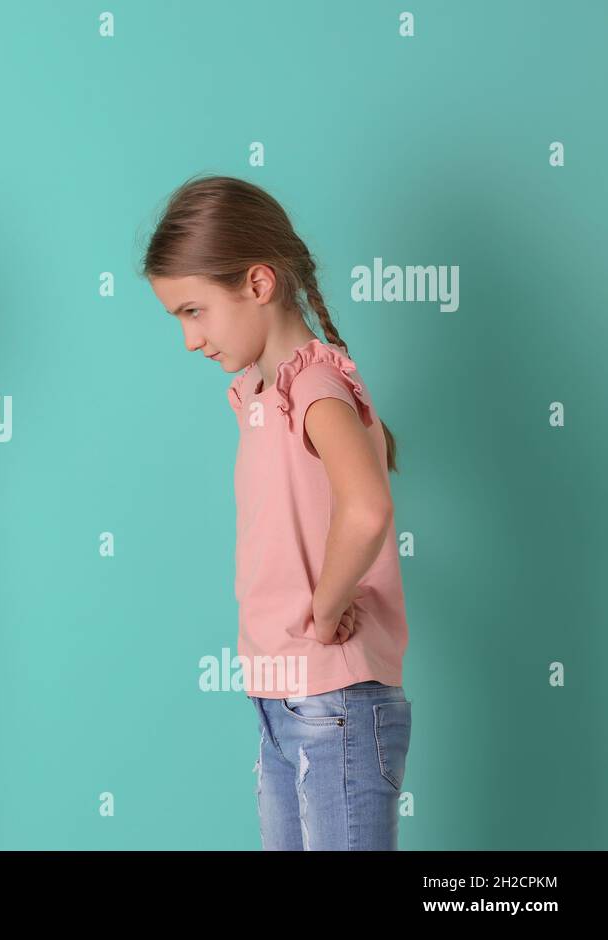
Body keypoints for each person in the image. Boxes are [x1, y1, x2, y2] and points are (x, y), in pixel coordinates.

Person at [144, 175, 411, 850]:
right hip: (280, 697)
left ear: (258, 284)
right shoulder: (258, 393)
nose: (188, 339)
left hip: (333, 701)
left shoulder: (313, 387)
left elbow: (368, 506)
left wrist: (326, 607)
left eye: (193, 311)